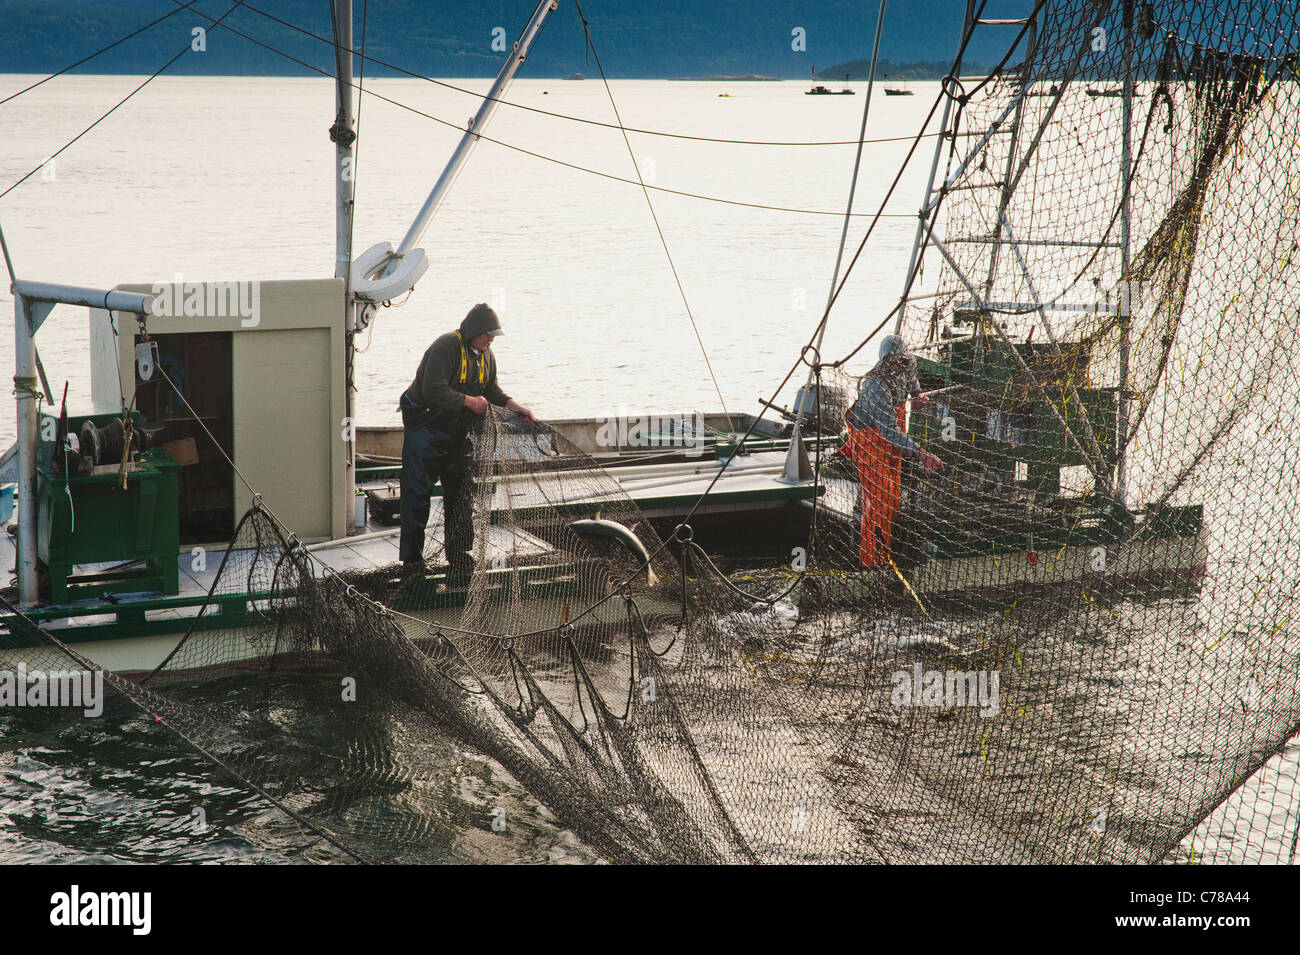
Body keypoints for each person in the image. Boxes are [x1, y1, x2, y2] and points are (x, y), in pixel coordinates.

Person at [398, 303, 535, 574]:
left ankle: (459, 554)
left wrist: (513, 405)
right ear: (474, 331)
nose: (491, 339)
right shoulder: (446, 346)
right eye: (488, 334)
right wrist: (470, 402)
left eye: (494, 335)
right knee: (416, 494)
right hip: (425, 430)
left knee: (461, 494)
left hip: (456, 434)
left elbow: (491, 390)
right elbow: (432, 389)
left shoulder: (487, 355)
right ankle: (412, 561)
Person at [844, 335, 943, 568]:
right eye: (893, 362)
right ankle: (871, 561)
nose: (897, 366)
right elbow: (889, 431)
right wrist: (921, 453)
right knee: (879, 501)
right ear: (884, 361)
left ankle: (885, 552)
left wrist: (918, 396)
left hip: (890, 446)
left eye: (901, 361)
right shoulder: (875, 385)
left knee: (893, 499)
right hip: (869, 442)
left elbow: (913, 384)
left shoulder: (908, 369)